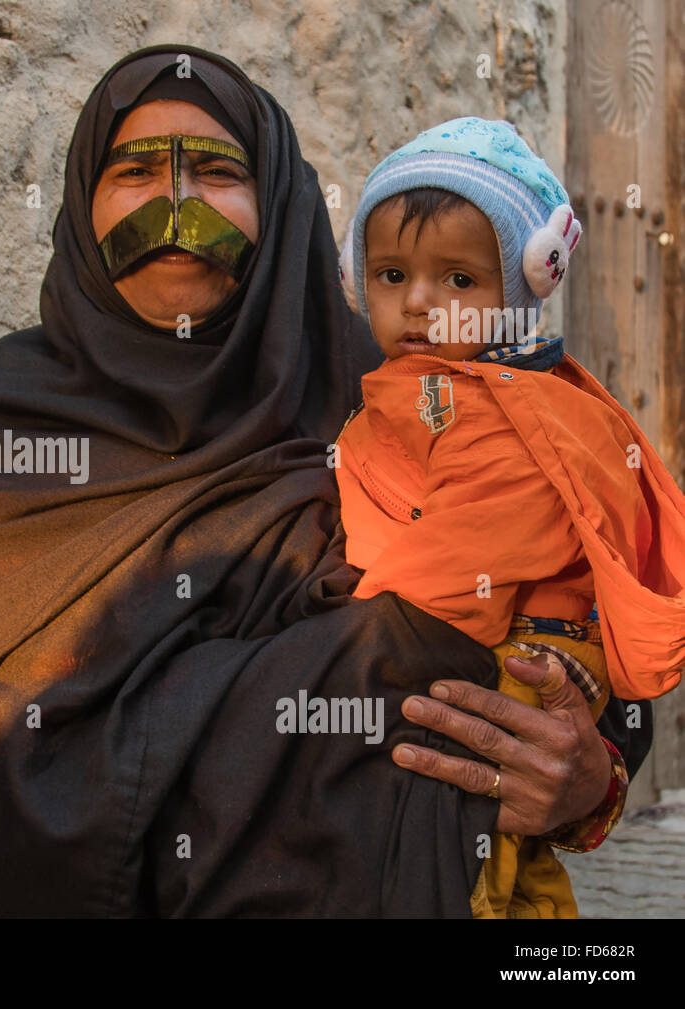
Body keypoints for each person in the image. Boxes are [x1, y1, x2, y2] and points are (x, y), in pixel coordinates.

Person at [0, 46, 645, 917]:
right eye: (137, 170)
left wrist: (584, 776)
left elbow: (595, 610)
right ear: (84, 201)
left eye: (218, 173)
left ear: (279, 202)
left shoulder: (402, 394)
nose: (177, 205)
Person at [334, 116, 685, 917]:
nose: (420, 302)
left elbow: (478, 544)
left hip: (520, 653)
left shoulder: (502, 404)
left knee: (464, 843)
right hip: (491, 642)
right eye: (390, 274)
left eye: (459, 281)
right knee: (500, 859)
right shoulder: (429, 384)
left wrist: (360, 628)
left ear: (521, 288)